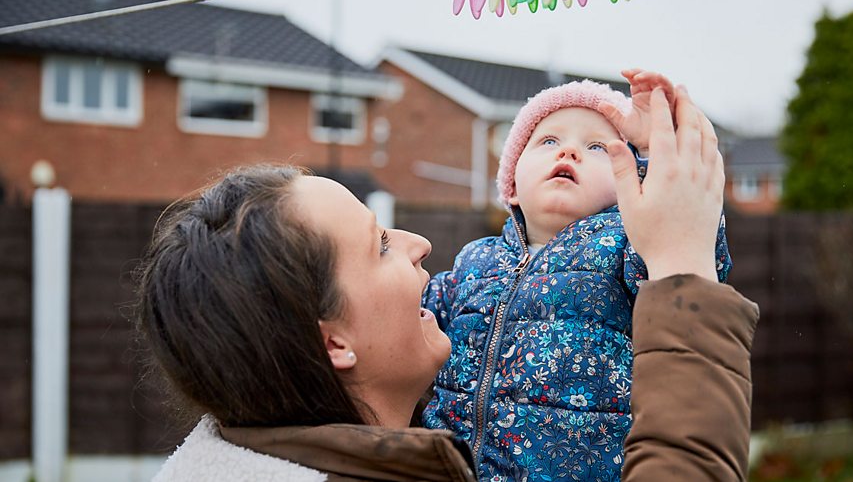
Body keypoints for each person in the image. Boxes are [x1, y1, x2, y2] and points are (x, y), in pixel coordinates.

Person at [138, 82, 758, 481]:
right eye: (380, 246)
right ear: (334, 342)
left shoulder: (235, 454)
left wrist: (658, 178)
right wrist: (687, 267)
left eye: (599, 148)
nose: (421, 247)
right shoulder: (480, 266)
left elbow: (671, 242)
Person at [420, 72, 731, 480]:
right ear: (511, 185)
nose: (568, 151)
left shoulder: (625, 247)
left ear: (631, 186)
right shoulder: (473, 260)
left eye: (598, 147)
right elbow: (410, 319)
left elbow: (689, 257)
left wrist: (656, 146)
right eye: (548, 141)